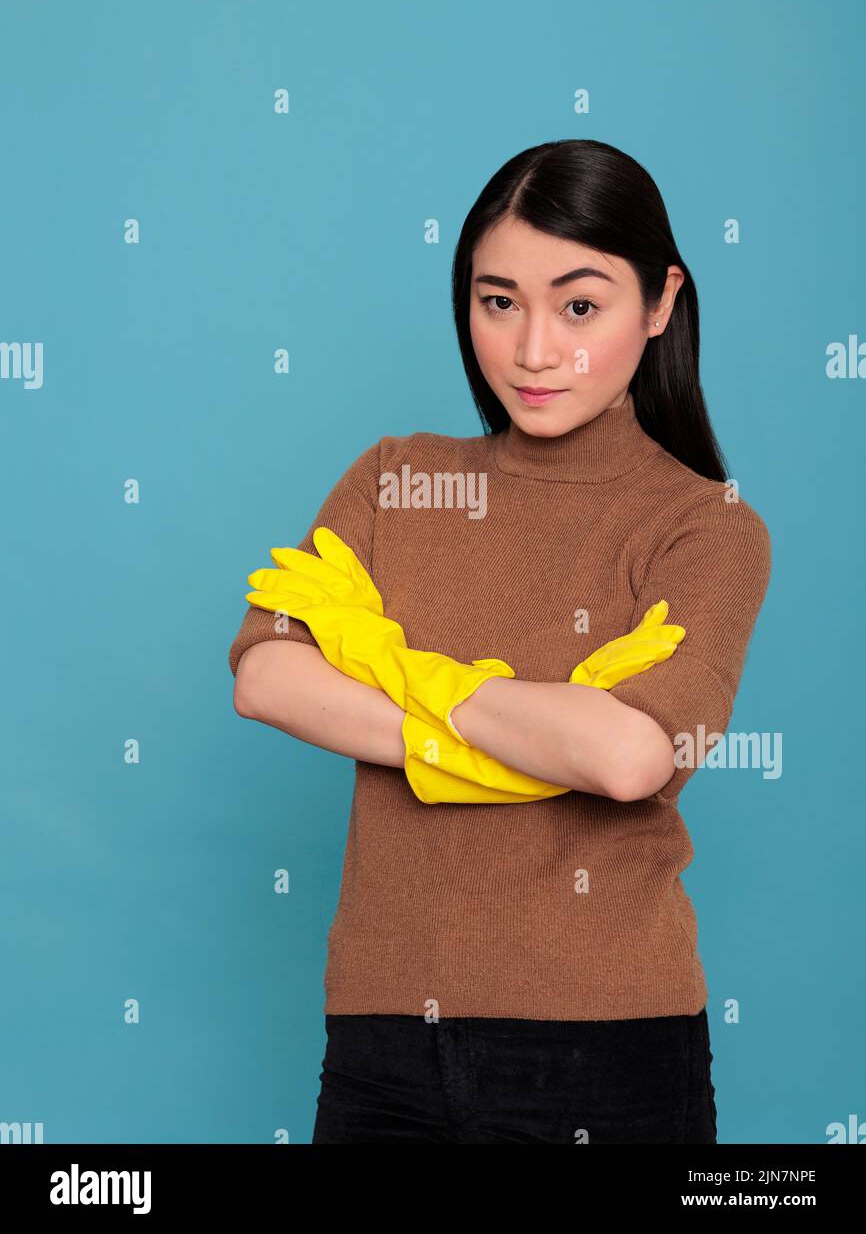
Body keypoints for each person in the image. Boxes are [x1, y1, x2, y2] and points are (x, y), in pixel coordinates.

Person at [228, 138, 772, 1144]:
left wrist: (387, 662)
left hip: (605, 1048)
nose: (530, 350)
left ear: (657, 304)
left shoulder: (706, 527)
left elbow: (624, 756)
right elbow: (265, 674)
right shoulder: (394, 478)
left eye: (578, 304)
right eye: (495, 301)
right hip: (380, 1038)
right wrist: (540, 718)